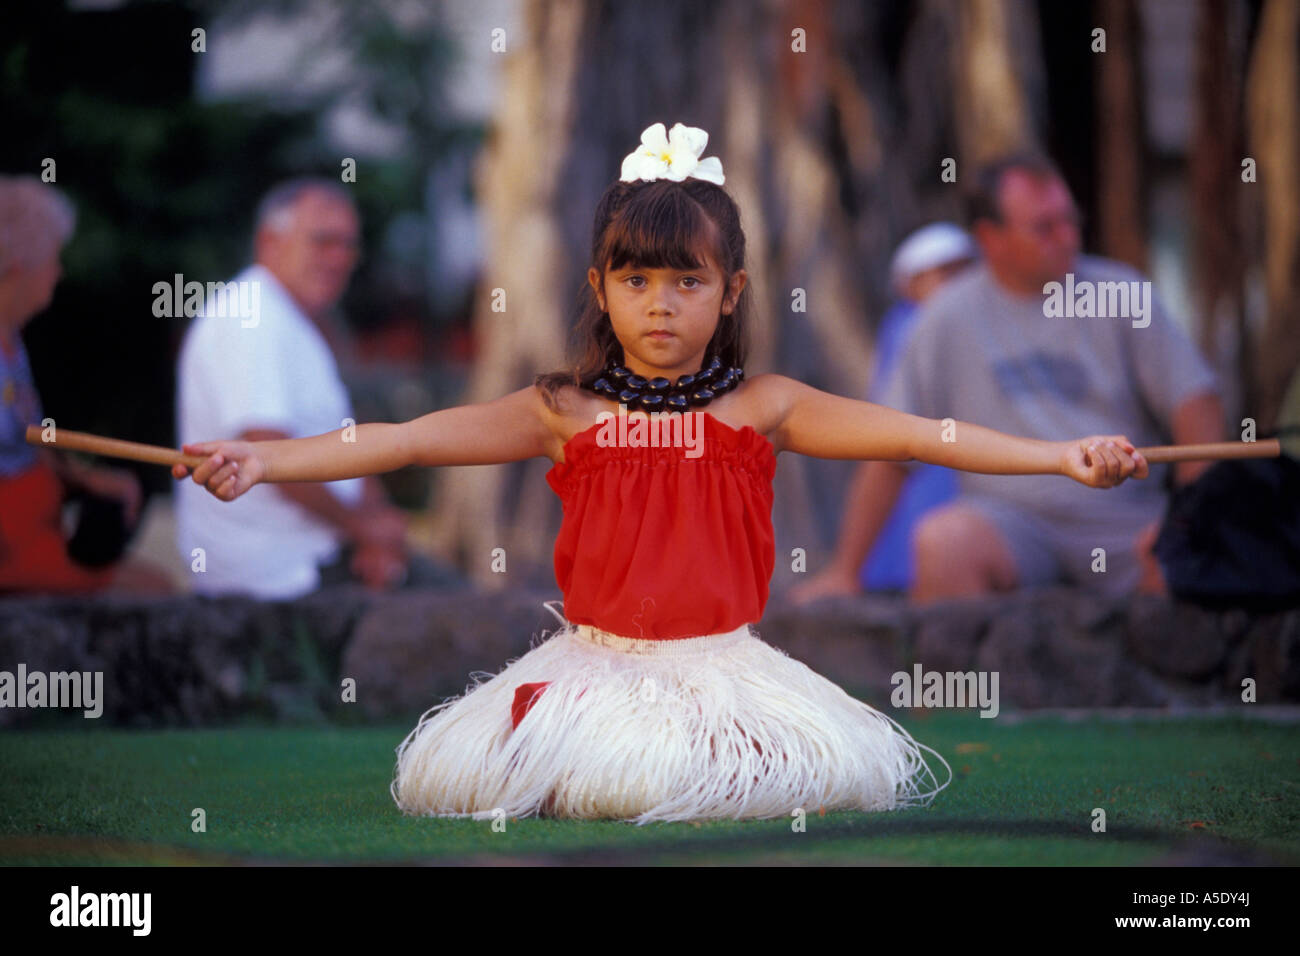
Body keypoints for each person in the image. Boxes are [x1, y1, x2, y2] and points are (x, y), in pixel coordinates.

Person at [174, 123, 1150, 824]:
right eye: (636, 280)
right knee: (597, 791)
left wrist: (1056, 455)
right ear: (599, 287)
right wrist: (263, 459)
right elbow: (404, 439)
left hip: (725, 671)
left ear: (728, 293)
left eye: (687, 281)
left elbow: (923, 435)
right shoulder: (563, 409)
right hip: (596, 667)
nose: (661, 304)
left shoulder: (762, 405)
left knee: (728, 796)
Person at [792, 151, 1223, 606]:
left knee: (1180, 557)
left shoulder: (1123, 295)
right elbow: (887, 447)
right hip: (1011, 522)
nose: (1067, 236)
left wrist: (1190, 518)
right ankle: (965, 680)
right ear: (990, 238)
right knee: (943, 542)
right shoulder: (944, 318)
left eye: (1070, 220)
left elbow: (1194, 401)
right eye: (1044, 227)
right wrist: (847, 569)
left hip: (1121, 523)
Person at [175, 177, 450, 599]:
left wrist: (377, 524)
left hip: (317, 555)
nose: (339, 258)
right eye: (323, 241)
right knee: (482, 621)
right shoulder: (251, 317)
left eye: (348, 245)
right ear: (270, 241)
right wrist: (363, 529)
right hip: (280, 572)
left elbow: (346, 441)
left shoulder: (290, 319)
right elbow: (269, 452)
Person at [0, 175, 170, 594]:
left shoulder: (11, 340)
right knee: (156, 592)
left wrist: (84, 479)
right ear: (20, 266)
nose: (58, 273)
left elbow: (22, 440)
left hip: (39, 536)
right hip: (14, 554)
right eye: (53, 258)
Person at [851, 223, 974, 594]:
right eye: (941, 273)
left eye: (960, 270)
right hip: (915, 456)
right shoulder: (904, 327)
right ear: (911, 282)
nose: (953, 282)